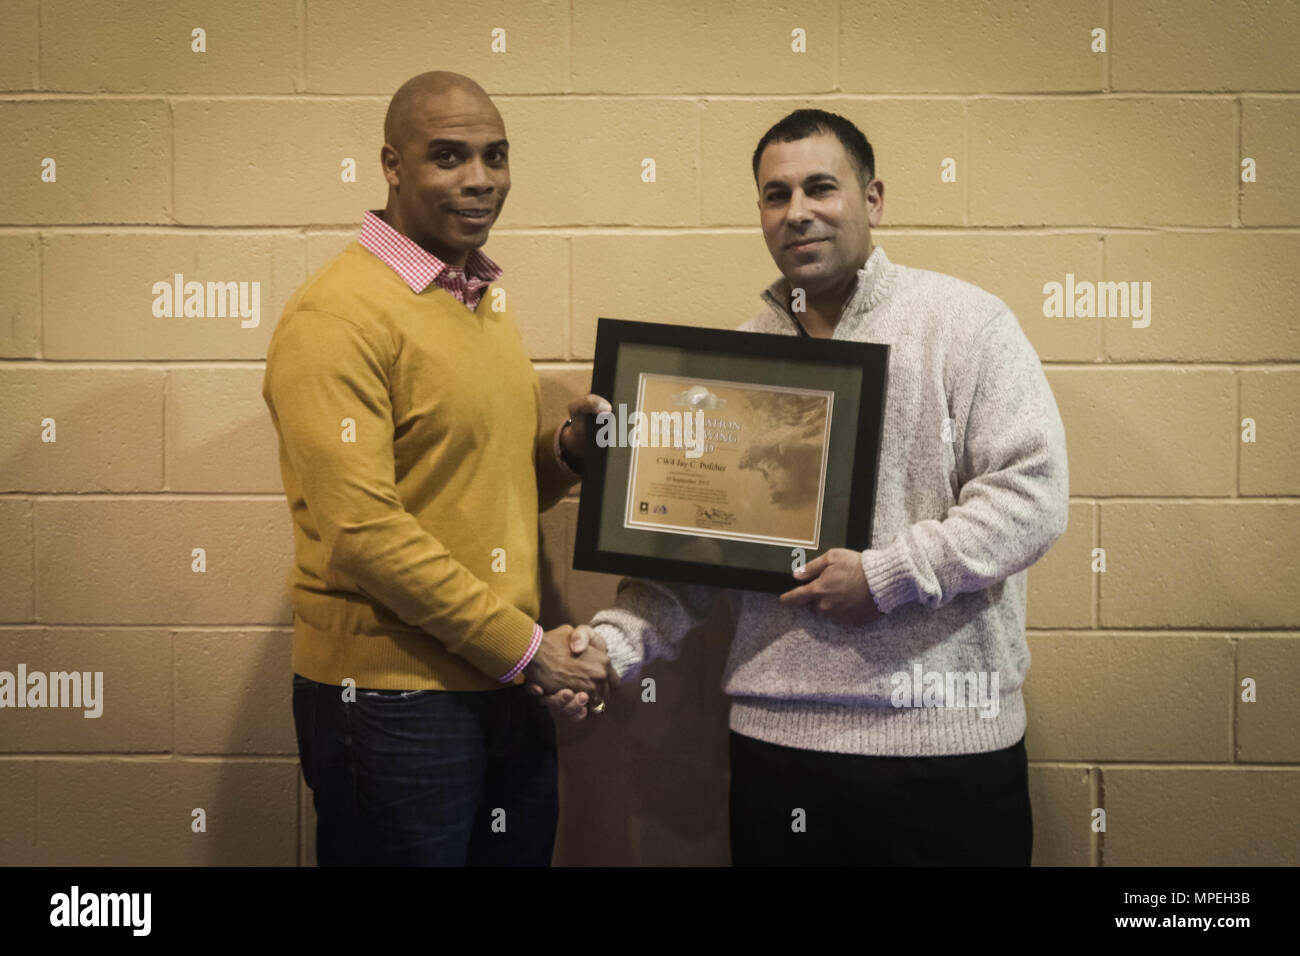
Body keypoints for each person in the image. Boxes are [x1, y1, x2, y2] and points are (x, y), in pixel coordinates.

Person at [532, 109, 1069, 866]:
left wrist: (886, 576)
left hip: (948, 748)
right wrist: (608, 649)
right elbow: (690, 560)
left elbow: (1033, 495)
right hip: (780, 753)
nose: (798, 212)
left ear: (872, 199)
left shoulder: (966, 324)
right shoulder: (730, 368)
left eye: (821, 187)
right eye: (775, 195)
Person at [262, 71, 610, 866]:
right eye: (448, 156)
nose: (479, 179)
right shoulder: (335, 315)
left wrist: (566, 454)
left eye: (495, 156)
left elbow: (476, 481)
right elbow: (364, 534)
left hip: (500, 679)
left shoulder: (477, 299)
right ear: (392, 164)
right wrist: (529, 650)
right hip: (392, 701)